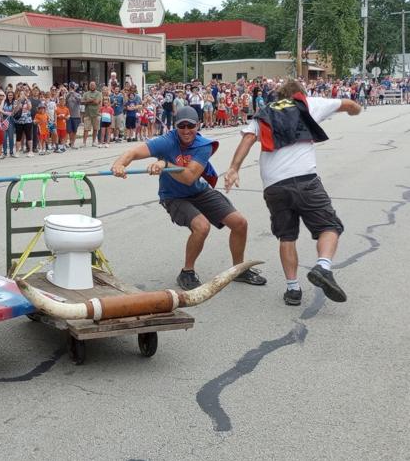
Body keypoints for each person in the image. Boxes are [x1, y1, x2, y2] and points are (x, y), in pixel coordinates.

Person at [225, 80, 362, 306]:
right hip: (305, 180)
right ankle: (323, 267)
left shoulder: (264, 112)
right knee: (329, 227)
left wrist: (233, 168)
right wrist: (356, 110)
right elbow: (347, 104)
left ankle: (293, 289)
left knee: (287, 236)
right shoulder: (307, 103)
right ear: (300, 94)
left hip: (274, 186)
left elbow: (248, 138)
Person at [111, 106, 266, 291]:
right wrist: (119, 165)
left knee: (240, 223)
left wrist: (165, 164)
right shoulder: (167, 141)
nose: (186, 131)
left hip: (198, 191)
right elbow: (133, 152)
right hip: (173, 196)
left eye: (190, 126)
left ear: (198, 125)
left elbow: (190, 177)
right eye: (181, 126)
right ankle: (187, 272)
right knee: (201, 227)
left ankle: (238, 269)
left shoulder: (203, 145)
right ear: (176, 126)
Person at [81, 81, 102, 148]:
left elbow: (97, 102)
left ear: (95, 86)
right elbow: (82, 102)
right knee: (86, 129)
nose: (92, 86)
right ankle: (84, 143)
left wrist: (88, 101)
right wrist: (90, 100)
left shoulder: (99, 93)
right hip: (87, 113)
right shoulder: (86, 93)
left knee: (95, 129)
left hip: (96, 113)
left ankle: (93, 142)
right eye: (91, 85)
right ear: (89, 86)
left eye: (93, 85)